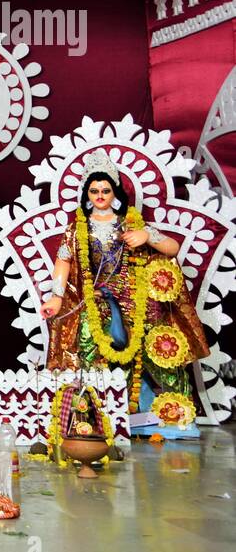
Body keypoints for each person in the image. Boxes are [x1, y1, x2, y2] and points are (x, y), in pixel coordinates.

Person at [40, 151, 208, 433]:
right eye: (94, 191)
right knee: (88, 352)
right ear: (87, 194)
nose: (100, 196)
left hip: (137, 302)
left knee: (159, 352)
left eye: (106, 190)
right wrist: (57, 296)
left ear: (114, 192)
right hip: (96, 303)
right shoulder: (77, 229)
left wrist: (148, 237)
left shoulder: (131, 224)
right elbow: (63, 261)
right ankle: (93, 420)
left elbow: (173, 248)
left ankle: (177, 416)